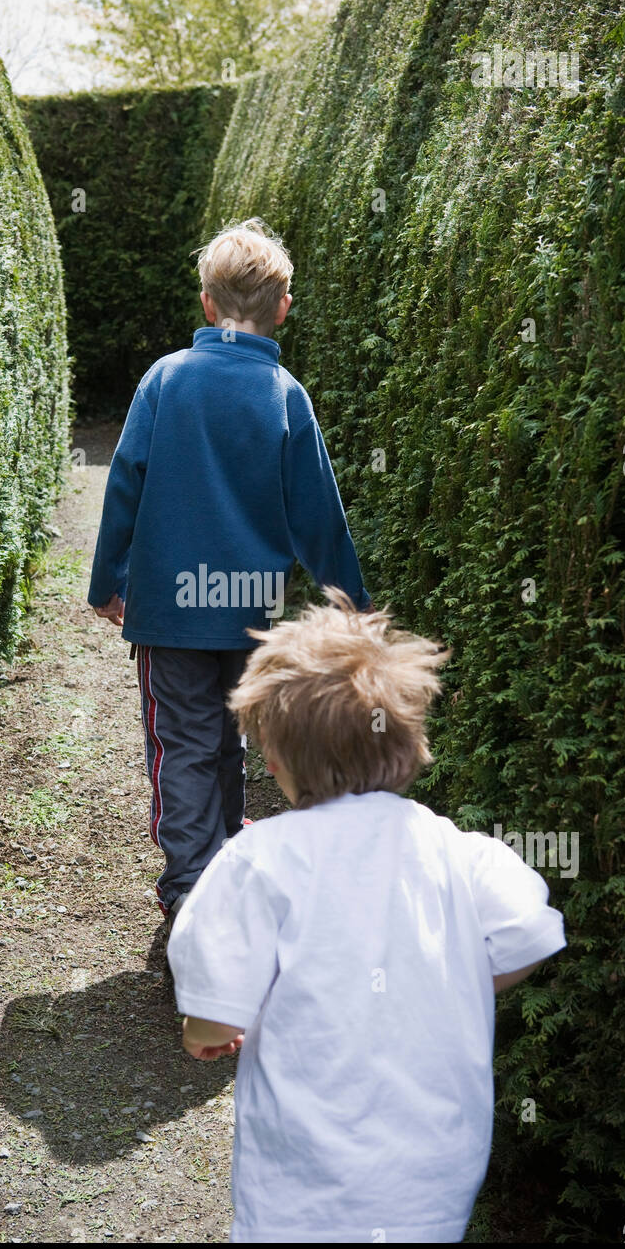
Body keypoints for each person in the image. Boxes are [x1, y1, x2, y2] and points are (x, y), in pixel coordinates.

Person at [167, 589, 567, 1243]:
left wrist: (201, 1031)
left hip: (300, 1191)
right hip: (433, 1182)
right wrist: (451, 976)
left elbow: (216, 1010)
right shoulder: (458, 854)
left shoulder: (257, 864)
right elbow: (529, 932)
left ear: (276, 761)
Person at [88, 219, 370, 925]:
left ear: (207, 304)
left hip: (169, 613)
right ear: (282, 307)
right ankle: (225, 864)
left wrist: (107, 583)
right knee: (231, 735)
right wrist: (351, 606)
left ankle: (189, 886)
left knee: (182, 742)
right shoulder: (284, 394)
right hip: (250, 609)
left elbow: (124, 482)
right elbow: (317, 515)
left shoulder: (166, 380)